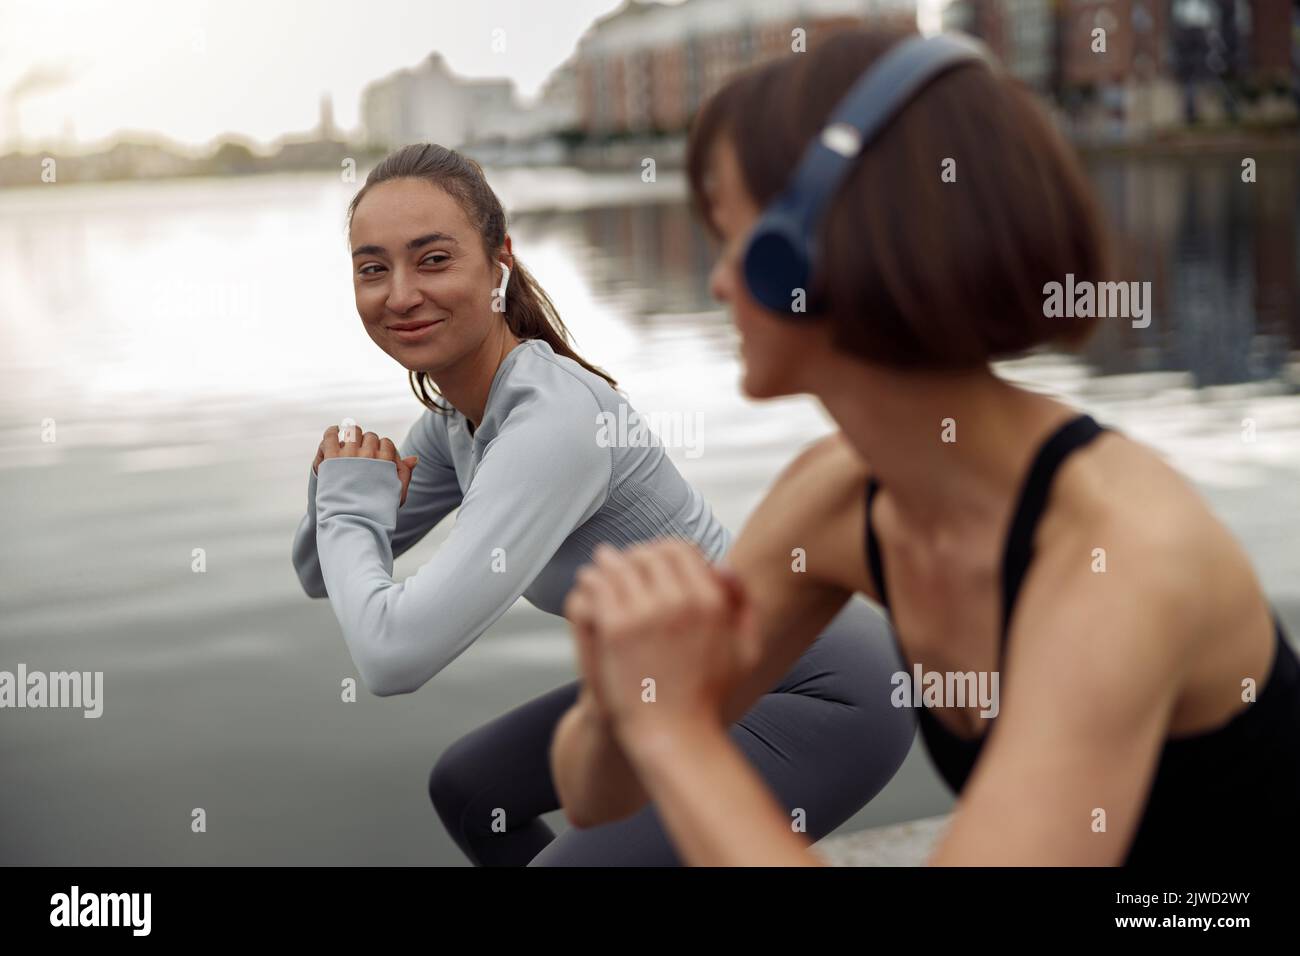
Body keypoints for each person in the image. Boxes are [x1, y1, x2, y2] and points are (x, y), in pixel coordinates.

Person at [554, 27, 1300, 866]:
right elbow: (595, 794)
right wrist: (629, 678)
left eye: (732, 237)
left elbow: (667, 746)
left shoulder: (1118, 554)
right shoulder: (838, 497)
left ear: (800, 253)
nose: (720, 280)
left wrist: (674, 730)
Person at [290, 142, 916, 866]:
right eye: (373, 269)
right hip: (696, 678)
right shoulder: (455, 423)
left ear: (499, 267)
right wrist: (340, 490)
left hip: (818, 691)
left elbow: (394, 657)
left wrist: (347, 508)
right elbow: (317, 572)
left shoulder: (552, 423)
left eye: (433, 260)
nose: (399, 294)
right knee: (472, 789)